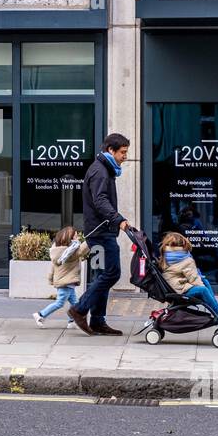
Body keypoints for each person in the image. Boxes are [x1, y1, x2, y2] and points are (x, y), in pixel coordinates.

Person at [68, 133, 130, 336]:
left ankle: (97, 320)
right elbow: (100, 200)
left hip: (100, 230)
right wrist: (118, 219)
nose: (125, 156)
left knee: (102, 275)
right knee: (112, 273)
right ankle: (79, 309)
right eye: (123, 152)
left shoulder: (103, 169)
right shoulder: (101, 172)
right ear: (111, 150)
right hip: (101, 232)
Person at [158, 231, 218, 325]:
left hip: (173, 286)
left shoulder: (166, 255)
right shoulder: (186, 260)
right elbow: (194, 279)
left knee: (204, 281)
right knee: (203, 290)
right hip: (179, 290)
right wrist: (205, 293)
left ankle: (216, 305)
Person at [33, 226, 88, 327]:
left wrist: (51, 279)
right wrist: (90, 241)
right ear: (69, 238)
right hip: (65, 283)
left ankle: (72, 321)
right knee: (60, 303)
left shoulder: (58, 251)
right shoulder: (69, 252)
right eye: (75, 236)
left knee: (75, 303)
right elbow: (81, 250)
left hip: (66, 282)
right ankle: (40, 314)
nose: (77, 237)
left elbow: (53, 267)